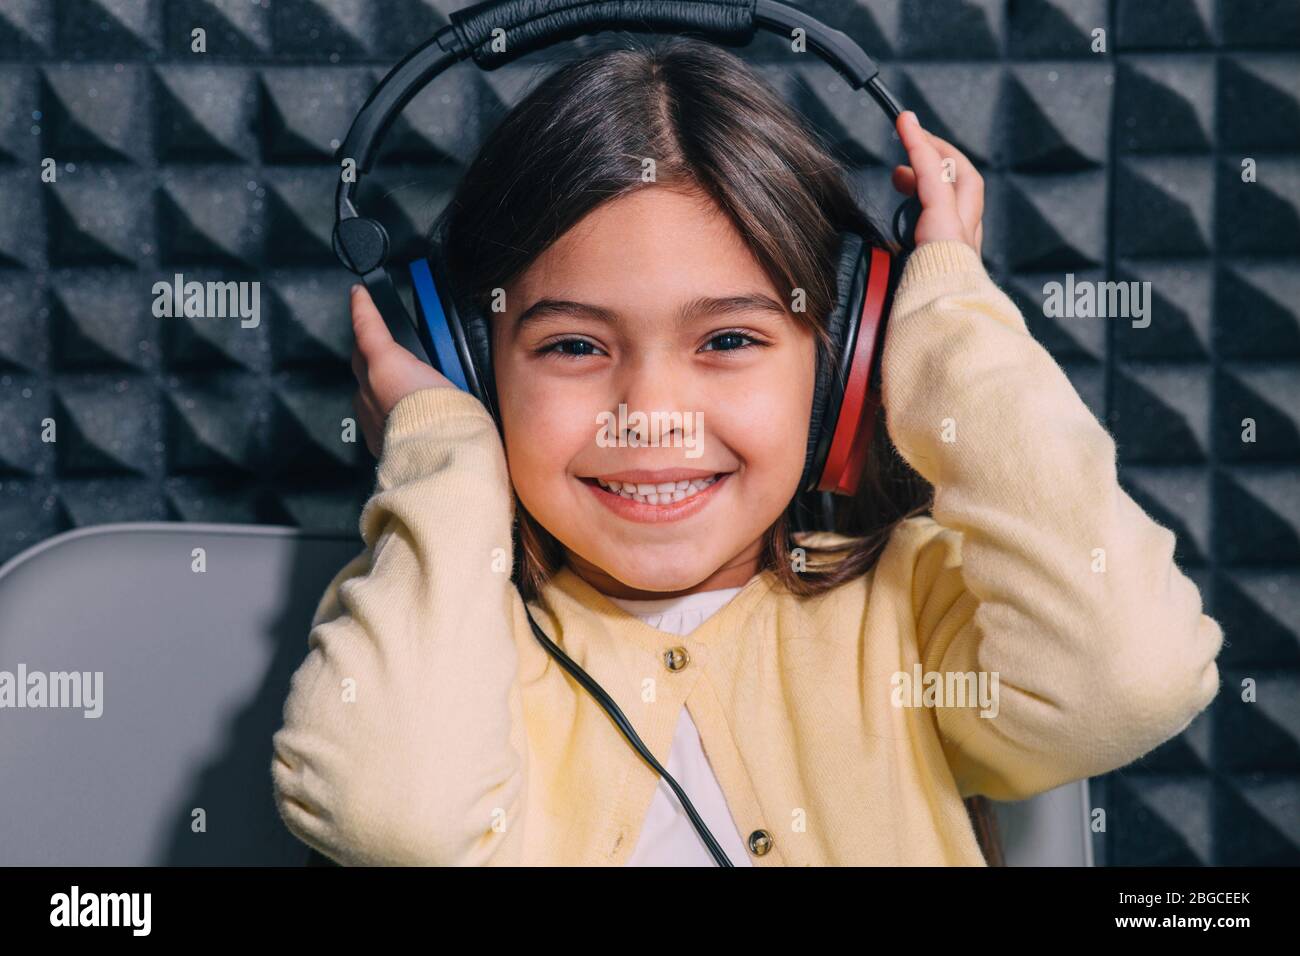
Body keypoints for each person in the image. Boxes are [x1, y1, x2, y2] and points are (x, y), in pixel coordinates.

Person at [271, 38, 1223, 866]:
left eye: (728, 340)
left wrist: (947, 325)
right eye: (572, 346)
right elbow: (390, 820)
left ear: (846, 362)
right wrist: (446, 463)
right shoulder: (446, 634)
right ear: (469, 369)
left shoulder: (916, 617)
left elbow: (1132, 675)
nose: (650, 416)